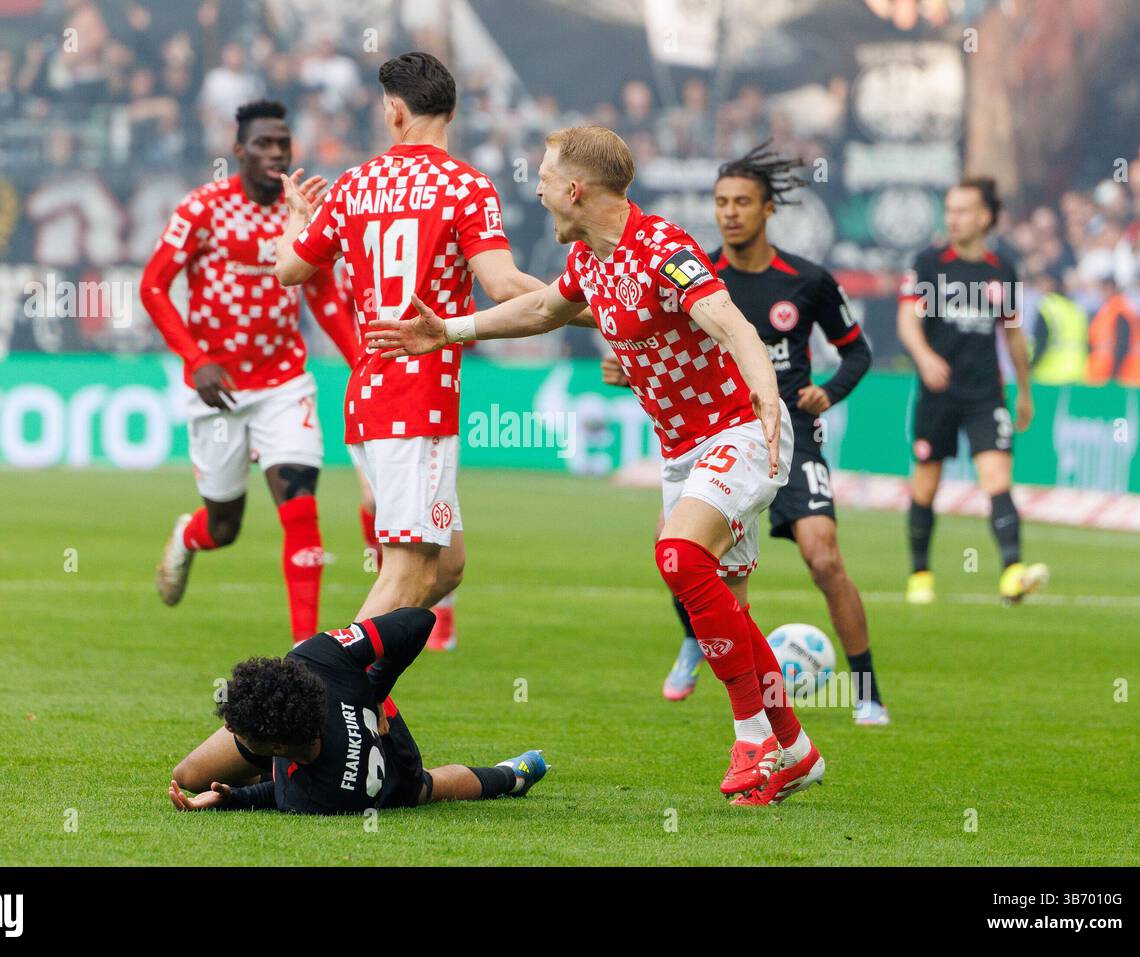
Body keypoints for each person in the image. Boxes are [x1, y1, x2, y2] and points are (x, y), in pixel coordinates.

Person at [366, 125, 822, 807]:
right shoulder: (591, 259)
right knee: (721, 605)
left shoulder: (663, 248)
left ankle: (754, 737)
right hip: (682, 450)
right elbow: (545, 308)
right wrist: (450, 330)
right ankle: (794, 749)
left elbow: (729, 320)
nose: (540, 189)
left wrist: (763, 390)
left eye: (546, 178)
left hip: (739, 431)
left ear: (576, 190)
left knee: (677, 556)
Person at [603, 143, 888, 725]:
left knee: (824, 557)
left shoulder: (807, 281)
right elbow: (661, 349)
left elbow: (857, 351)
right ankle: (695, 644)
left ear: (767, 211)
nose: (729, 213)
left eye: (742, 202)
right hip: (720, 434)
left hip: (790, 433)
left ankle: (866, 689)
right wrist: (623, 368)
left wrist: (828, 393)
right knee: (673, 544)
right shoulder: (694, 272)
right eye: (720, 203)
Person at [273, 52, 550, 647]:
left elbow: (290, 269)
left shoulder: (353, 185)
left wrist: (298, 218)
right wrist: (580, 301)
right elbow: (502, 286)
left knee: (446, 566)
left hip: (370, 397)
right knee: (404, 573)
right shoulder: (467, 186)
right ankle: (311, 686)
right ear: (450, 111)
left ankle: (345, 681)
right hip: (416, 398)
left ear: (395, 112)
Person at [142, 100, 362, 641]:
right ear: (239, 151)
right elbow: (152, 287)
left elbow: (324, 296)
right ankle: (187, 537)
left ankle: (305, 659)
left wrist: (363, 363)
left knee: (301, 510)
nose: (275, 153)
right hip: (217, 389)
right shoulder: (203, 209)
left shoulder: (300, 214)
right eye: (263, 144)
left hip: (285, 379)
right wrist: (196, 361)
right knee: (224, 526)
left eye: (283, 144)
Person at [168, 608, 548, 814]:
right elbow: (421, 620)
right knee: (424, 788)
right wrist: (376, 692)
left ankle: (510, 776)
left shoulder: (311, 799)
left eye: (242, 730)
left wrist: (232, 798)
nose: (231, 726)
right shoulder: (313, 659)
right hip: (381, 732)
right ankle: (514, 774)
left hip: (387, 766)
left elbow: (274, 795)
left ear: (279, 750)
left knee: (425, 789)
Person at [897, 177, 1049, 605]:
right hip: (938, 394)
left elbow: (1013, 334)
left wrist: (1025, 390)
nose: (953, 218)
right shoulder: (928, 263)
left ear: (985, 217)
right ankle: (920, 575)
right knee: (926, 484)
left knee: (998, 479)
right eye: (949, 210)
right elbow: (907, 319)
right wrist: (924, 357)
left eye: (962, 210)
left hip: (986, 394)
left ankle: (1012, 573)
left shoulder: (1001, 268)